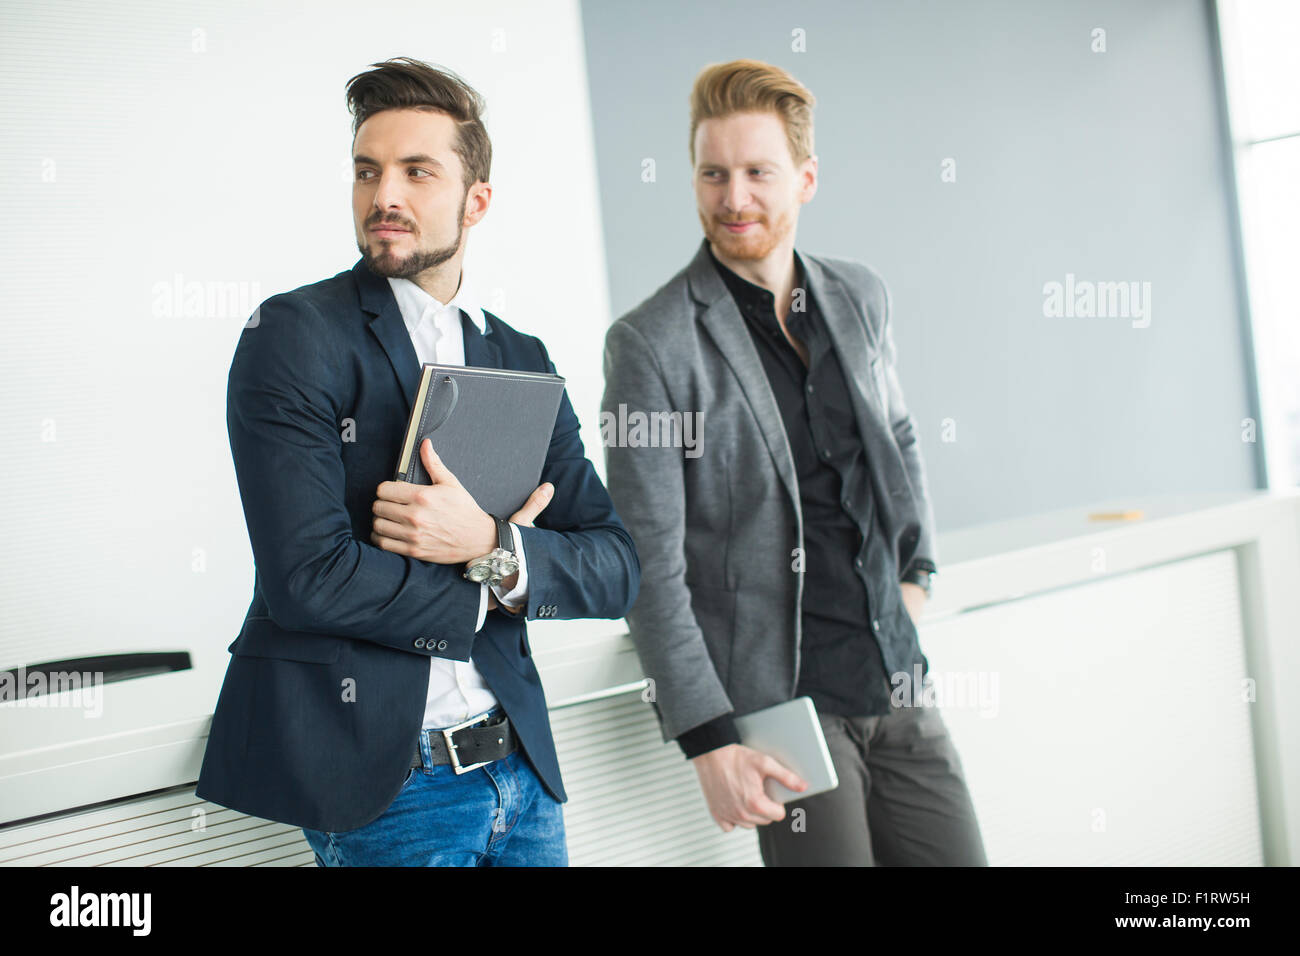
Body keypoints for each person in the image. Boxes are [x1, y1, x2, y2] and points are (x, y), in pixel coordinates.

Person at [196, 57, 639, 867]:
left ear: (478, 201)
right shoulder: (293, 335)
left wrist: (489, 547)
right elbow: (307, 577)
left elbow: (614, 567)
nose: (383, 195)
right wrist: (485, 581)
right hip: (390, 789)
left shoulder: (519, 355)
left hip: (523, 776)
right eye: (367, 171)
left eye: (416, 172)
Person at [600, 58, 985, 866]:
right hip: (786, 712)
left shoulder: (859, 295)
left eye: (757, 173)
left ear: (805, 179)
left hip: (900, 680)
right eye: (713, 173)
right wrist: (709, 740)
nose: (733, 197)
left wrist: (918, 571)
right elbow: (648, 561)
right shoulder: (650, 346)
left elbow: (901, 437)